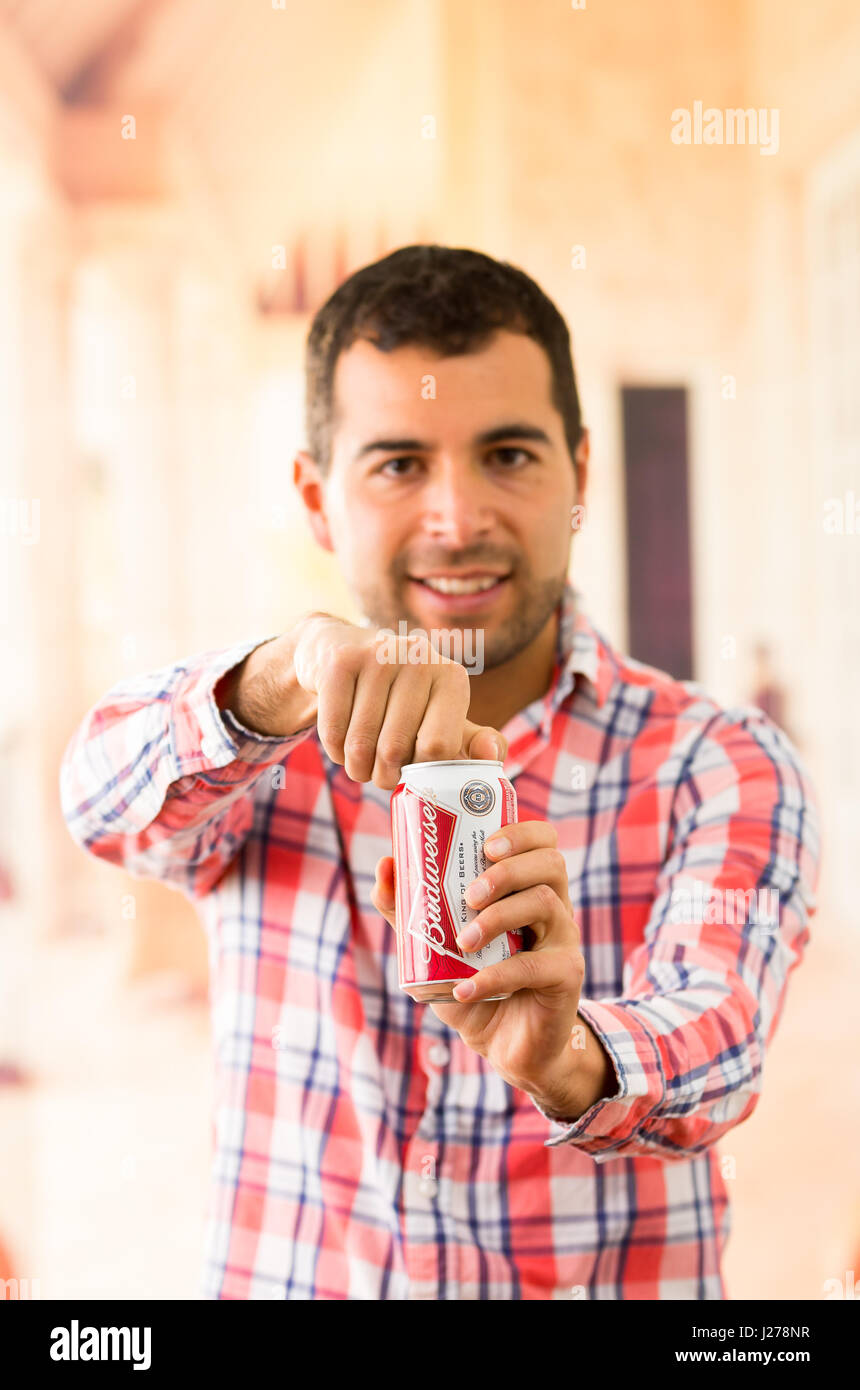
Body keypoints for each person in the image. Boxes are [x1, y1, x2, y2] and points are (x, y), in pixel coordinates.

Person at [60, 245, 820, 1301]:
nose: (456, 520)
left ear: (578, 477)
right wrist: (278, 679)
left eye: (506, 455)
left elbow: (718, 1036)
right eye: (398, 463)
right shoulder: (256, 751)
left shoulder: (721, 762)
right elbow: (99, 808)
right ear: (316, 499)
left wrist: (569, 1057)